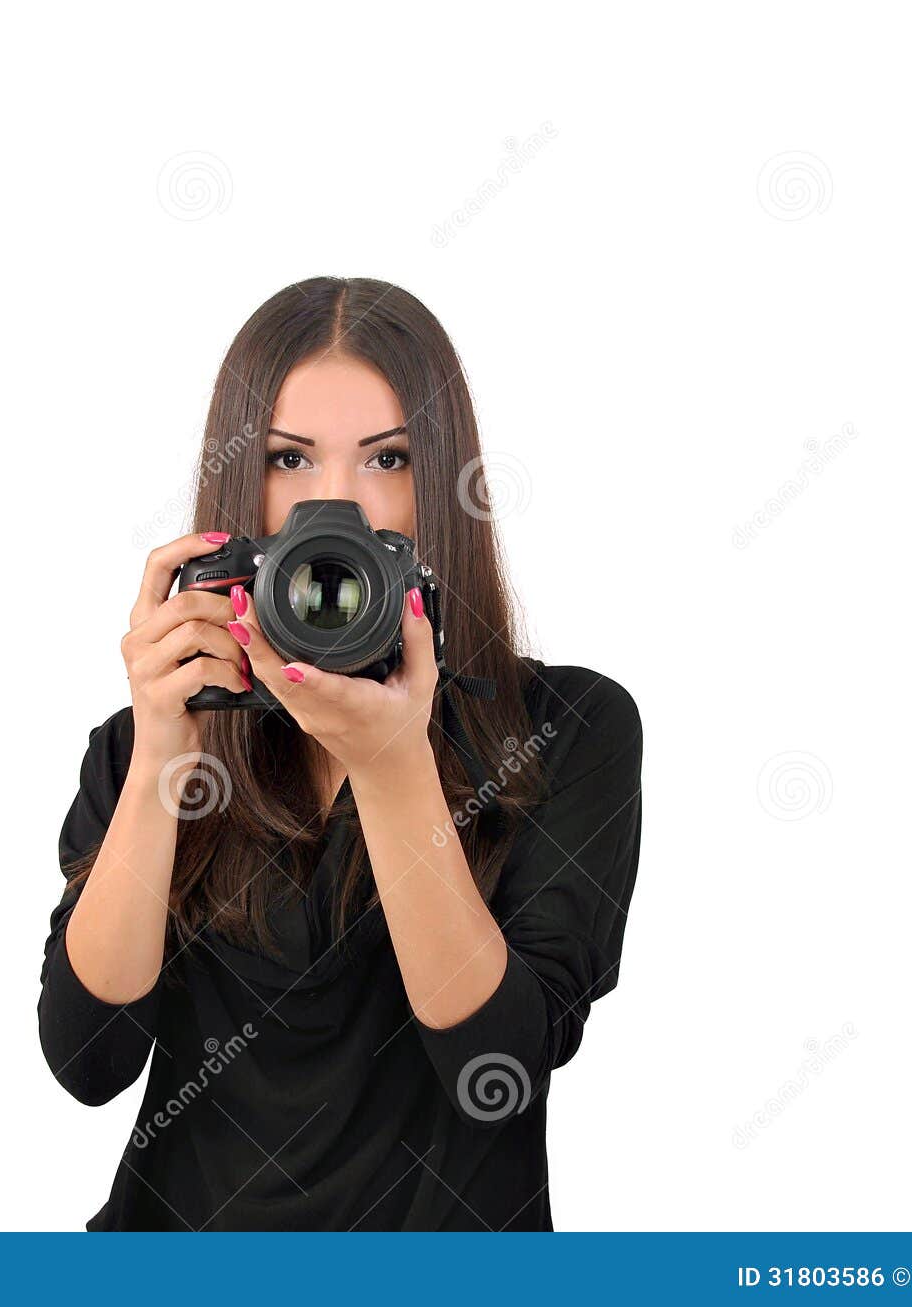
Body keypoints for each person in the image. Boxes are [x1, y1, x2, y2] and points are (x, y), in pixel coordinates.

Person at [38, 276, 643, 1230]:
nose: (335, 507)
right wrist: (165, 748)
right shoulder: (150, 742)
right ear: (238, 497)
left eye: (386, 460)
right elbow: (89, 1063)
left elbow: (503, 1068)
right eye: (288, 460)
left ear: (442, 487)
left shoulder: (570, 726)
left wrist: (395, 766)